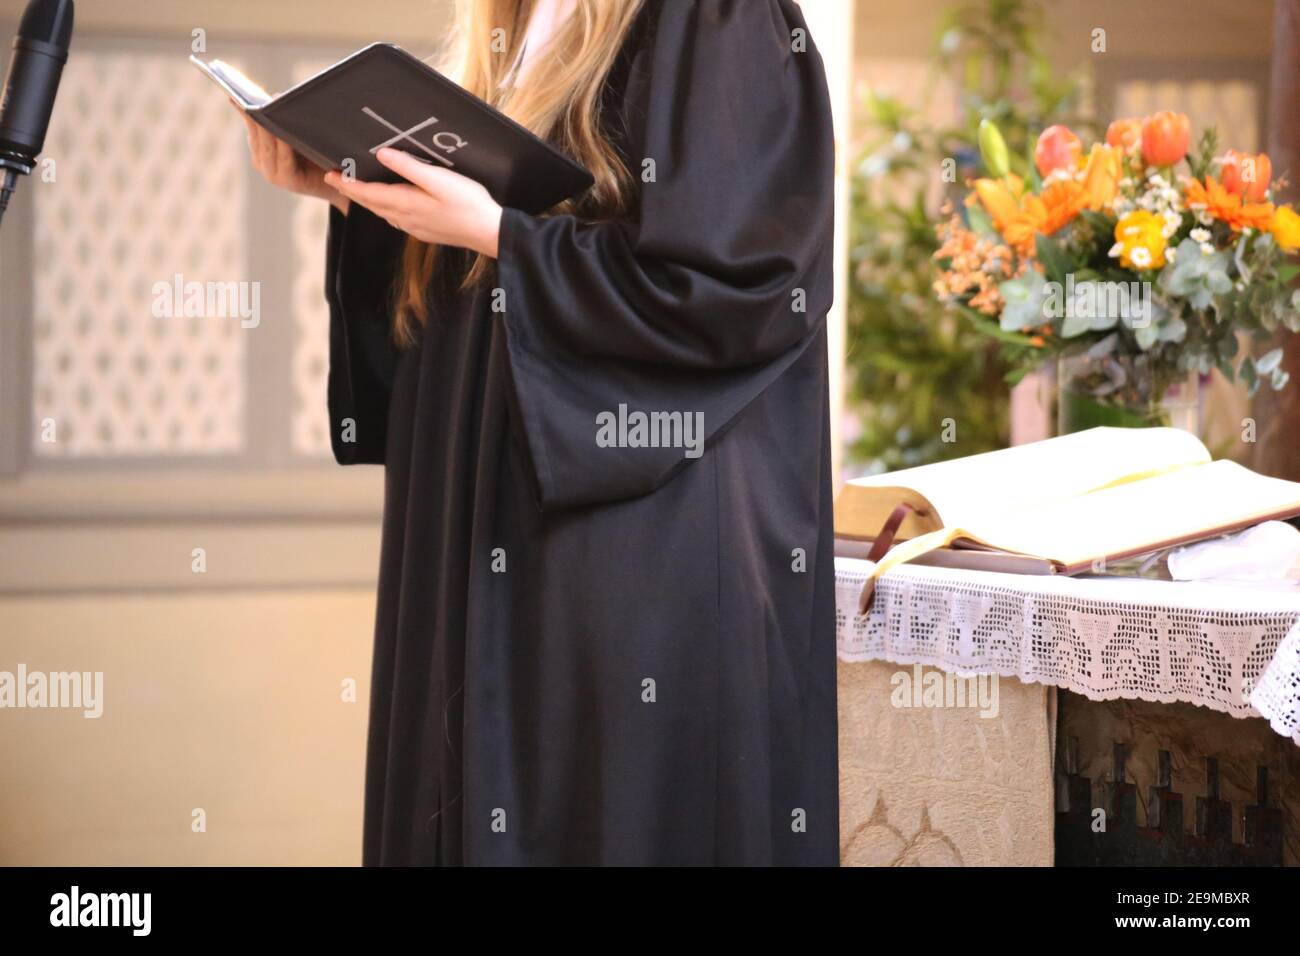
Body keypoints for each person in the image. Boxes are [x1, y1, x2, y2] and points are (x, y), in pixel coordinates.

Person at [240, 0, 839, 865]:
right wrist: (355, 197)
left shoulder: (718, 19)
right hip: (480, 513)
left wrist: (496, 233)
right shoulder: (510, 26)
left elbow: (744, 291)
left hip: (625, 540)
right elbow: (469, 299)